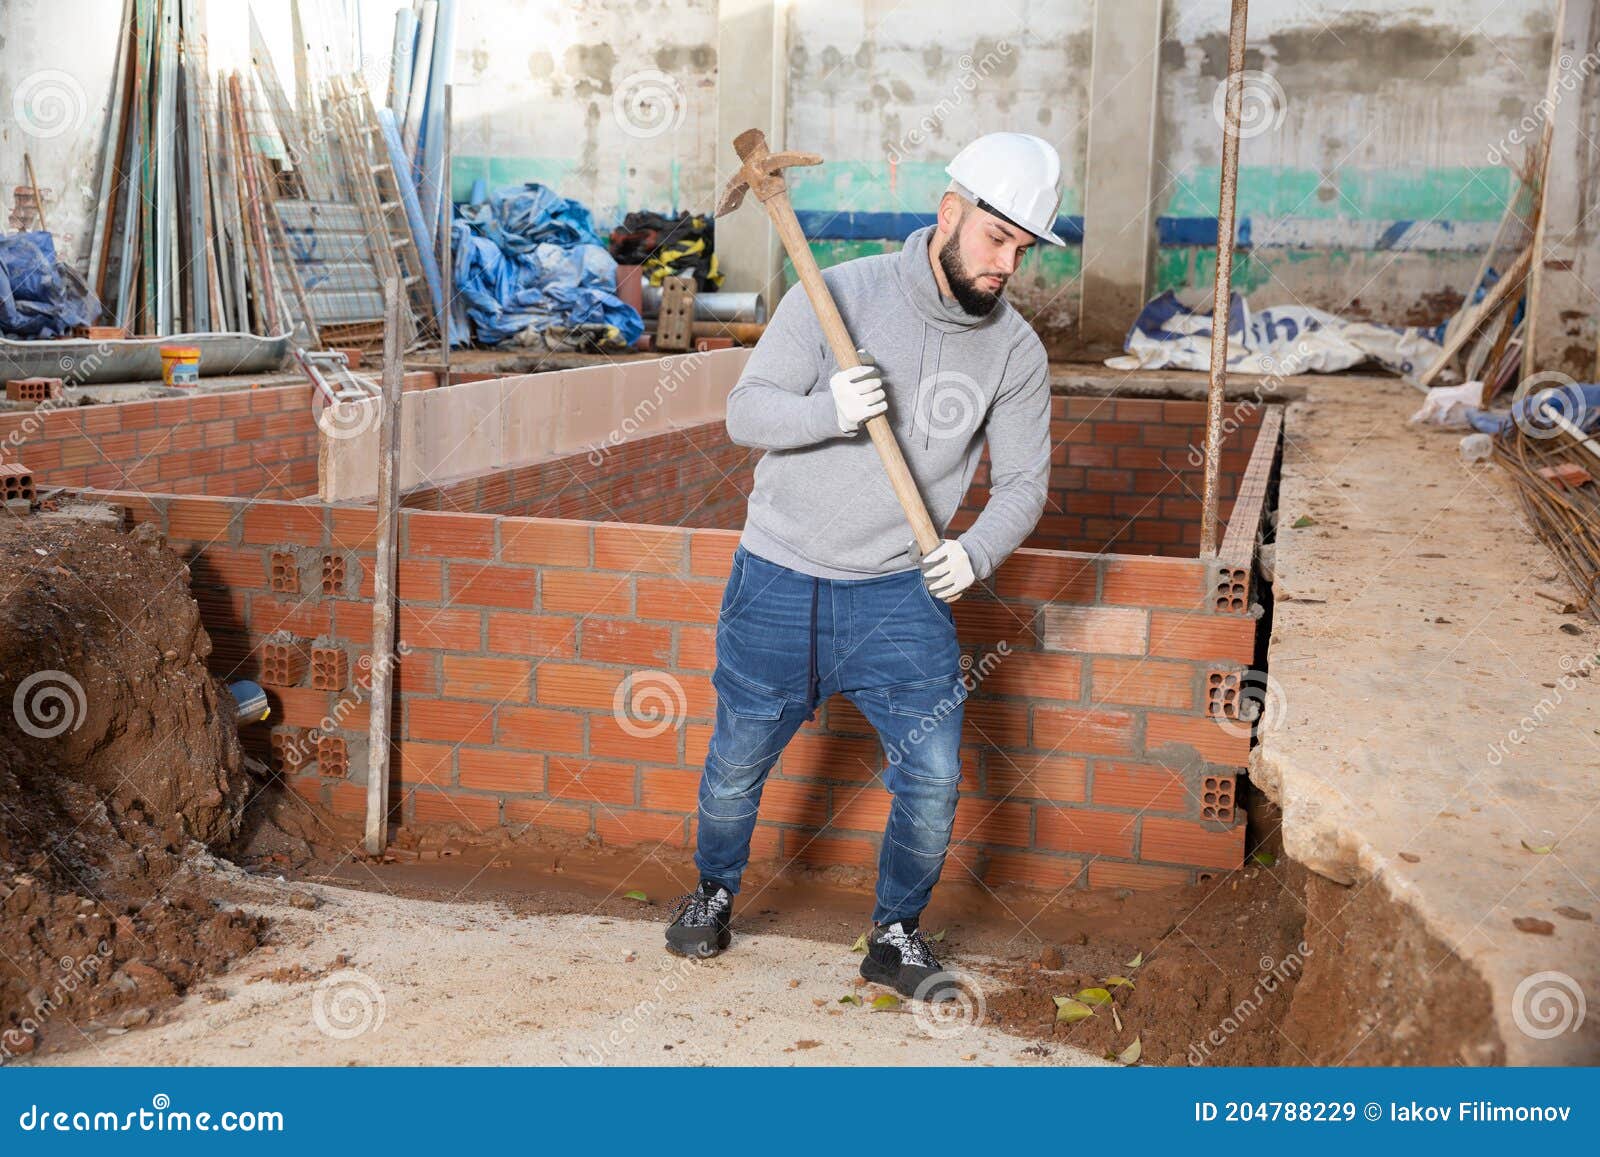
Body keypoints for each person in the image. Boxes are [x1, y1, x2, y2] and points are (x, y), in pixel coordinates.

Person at [665, 133, 1062, 1002]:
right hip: (778, 578)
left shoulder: (1015, 352)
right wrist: (829, 411)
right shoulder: (835, 293)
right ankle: (713, 889)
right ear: (950, 213)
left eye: (1023, 249)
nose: (1007, 264)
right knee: (737, 762)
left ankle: (894, 934)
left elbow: (1025, 484)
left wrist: (974, 551)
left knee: (934, 774)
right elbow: (745, 413)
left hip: (901, 593)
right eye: (996, 238)